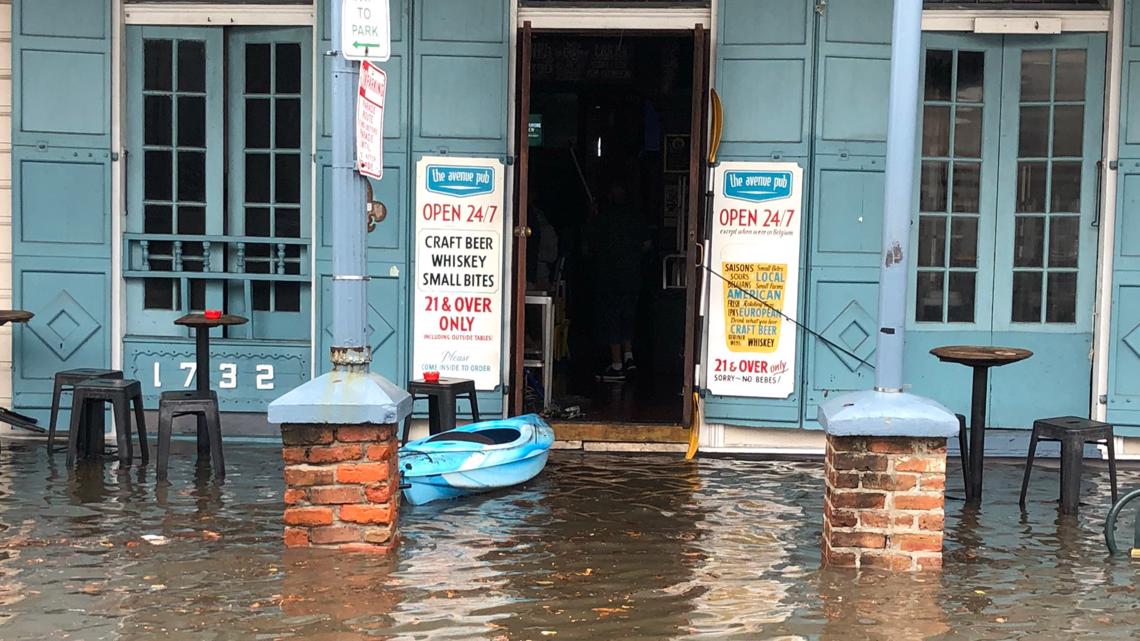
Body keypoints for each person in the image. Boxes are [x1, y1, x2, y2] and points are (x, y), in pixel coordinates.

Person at [586, 177, 649, 382]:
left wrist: (592, 216)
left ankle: (616, 365)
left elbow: (590, 246)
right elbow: (647, 245)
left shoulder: (603, 218)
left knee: (613, 319)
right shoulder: (636, 217)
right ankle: (629, 359)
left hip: (610, 278)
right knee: (628, 318)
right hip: (632, 277)